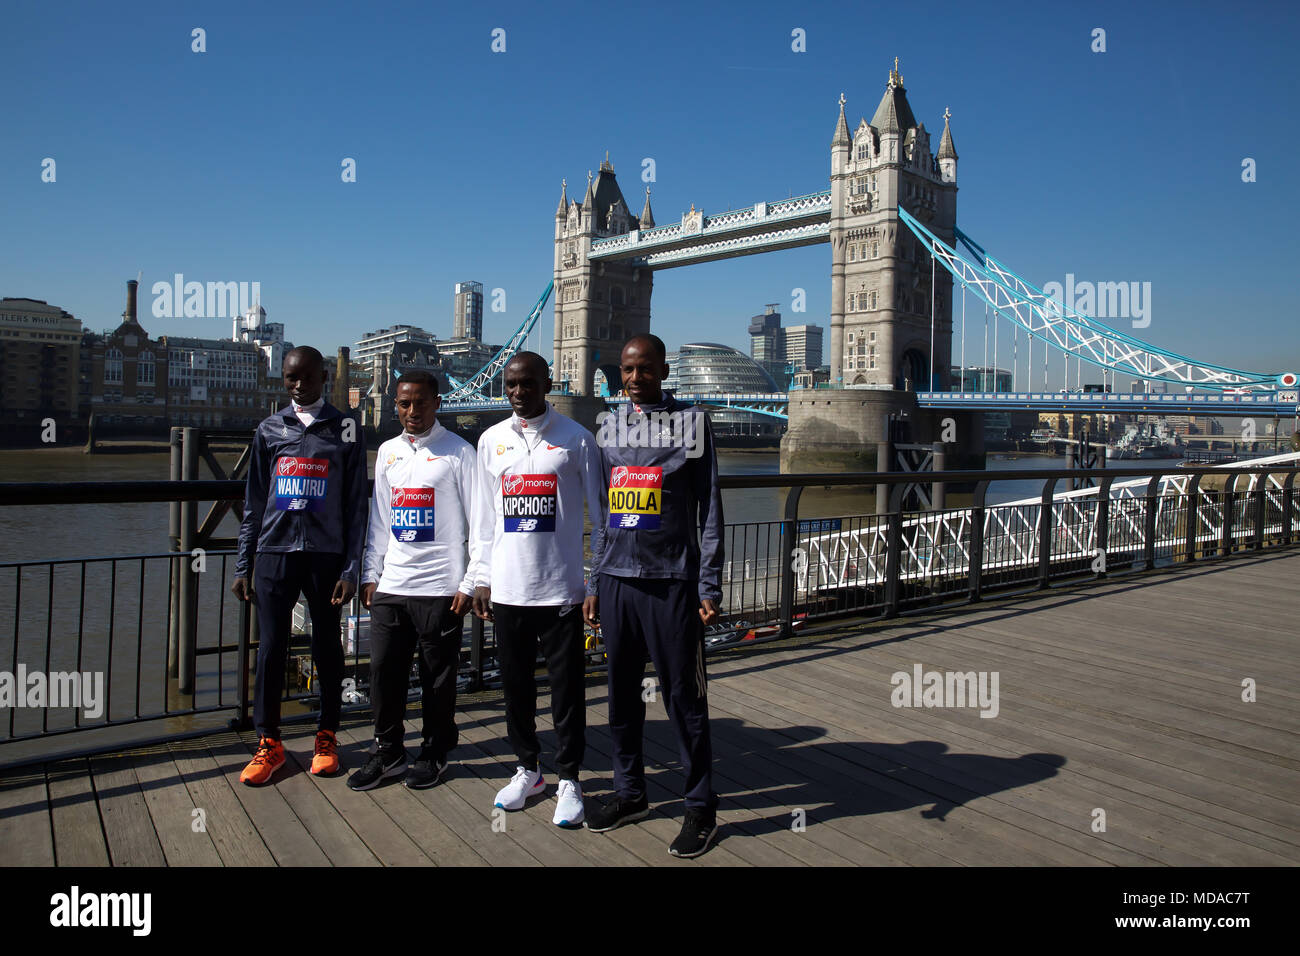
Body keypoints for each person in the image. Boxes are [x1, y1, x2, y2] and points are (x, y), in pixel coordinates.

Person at [584, 334, 725, 858]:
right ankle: (630, 794)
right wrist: (596, 579)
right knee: (620, 697)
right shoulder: (607, 426)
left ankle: (699, 808)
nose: (635, 379)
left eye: (645, 370)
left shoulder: (693, 424)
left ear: (664, 370)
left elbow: (709, 509)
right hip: (618, 581)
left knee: (683, 699)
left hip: (673, 582)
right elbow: (601, 513)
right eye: (627, 370)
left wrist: (708, 583)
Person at [471, 352, 606, 827]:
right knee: (516, 690)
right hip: (507, 591)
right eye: (510, 385)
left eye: (528, 383)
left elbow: (602, 518)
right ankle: (528, 769)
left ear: (548, 382)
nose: (518, 392)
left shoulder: (577, 440)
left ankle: (569, 776)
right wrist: (481, 578)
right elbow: (484, 522)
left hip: (563, 591)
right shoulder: (490, 442)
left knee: (567, 692)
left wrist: (594, 582)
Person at [232, 346, 368, 785]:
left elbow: (354, 507)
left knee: (327, 647)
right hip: (274, 552)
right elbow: (254, 502)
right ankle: (268, 743)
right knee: (271, 649)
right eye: (290, 378)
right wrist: (242, 563)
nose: (297, 385)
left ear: (324, 376)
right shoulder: (269, 429)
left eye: (306, 377)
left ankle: (326, 737)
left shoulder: (346, 428)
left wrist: (351, 570)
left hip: (325, 556)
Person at [348, 371, 477, 791]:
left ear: (437, 403)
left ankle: (435, 752)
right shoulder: (386, 452)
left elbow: (481, 524)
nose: (412, 411)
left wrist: (471, 581)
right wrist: (371, 573)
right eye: (404, 404)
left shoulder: (459, 453)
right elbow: (380, 521)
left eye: (420, 403)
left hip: (440, 586)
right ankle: (388, 753)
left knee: (436, 677)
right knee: (384, 671)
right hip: (392, 584)